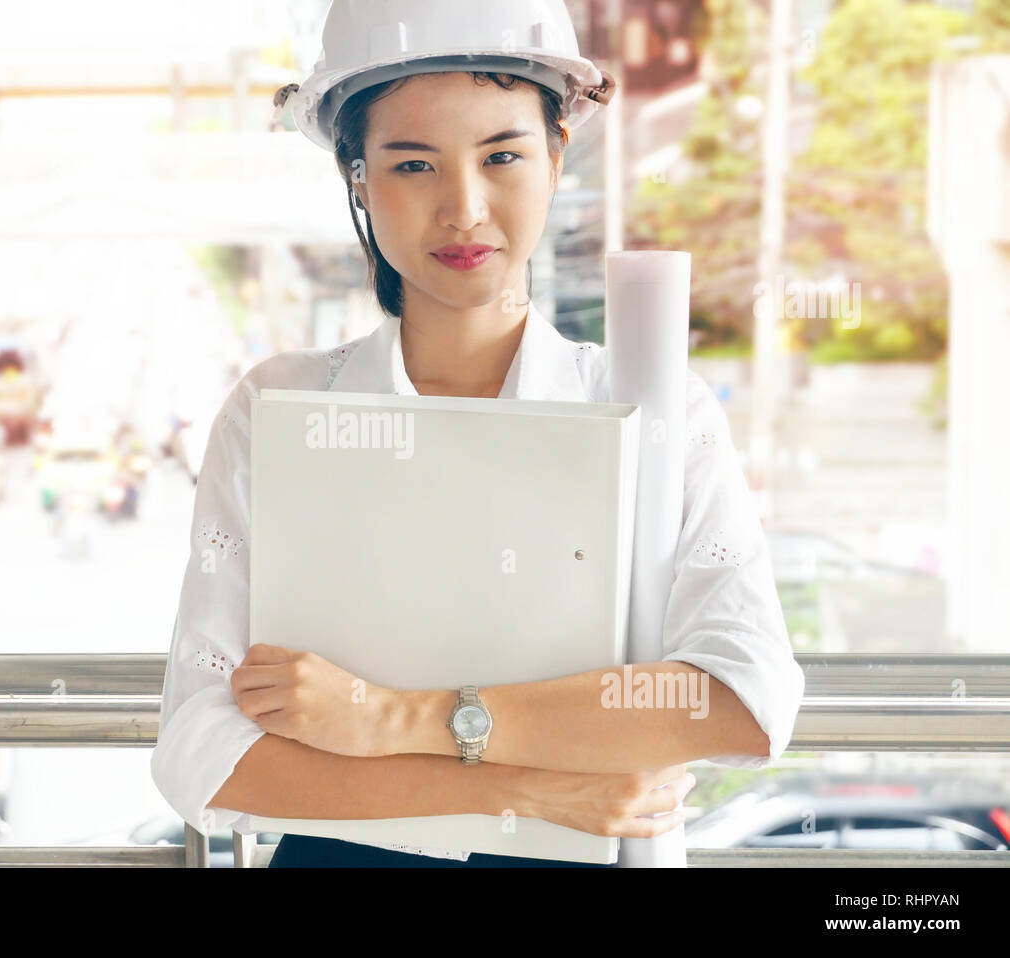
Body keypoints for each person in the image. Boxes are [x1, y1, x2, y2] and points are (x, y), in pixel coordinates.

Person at [150, 0, 805, 867]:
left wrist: (387, 719)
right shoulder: (282, 410)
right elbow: (203, 755)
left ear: (557, 156)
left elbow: (740, 699)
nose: (463, 209)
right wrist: (526, 788)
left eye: (502, 156)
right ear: (357, 178)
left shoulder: (652, 408)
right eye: (413, 164)